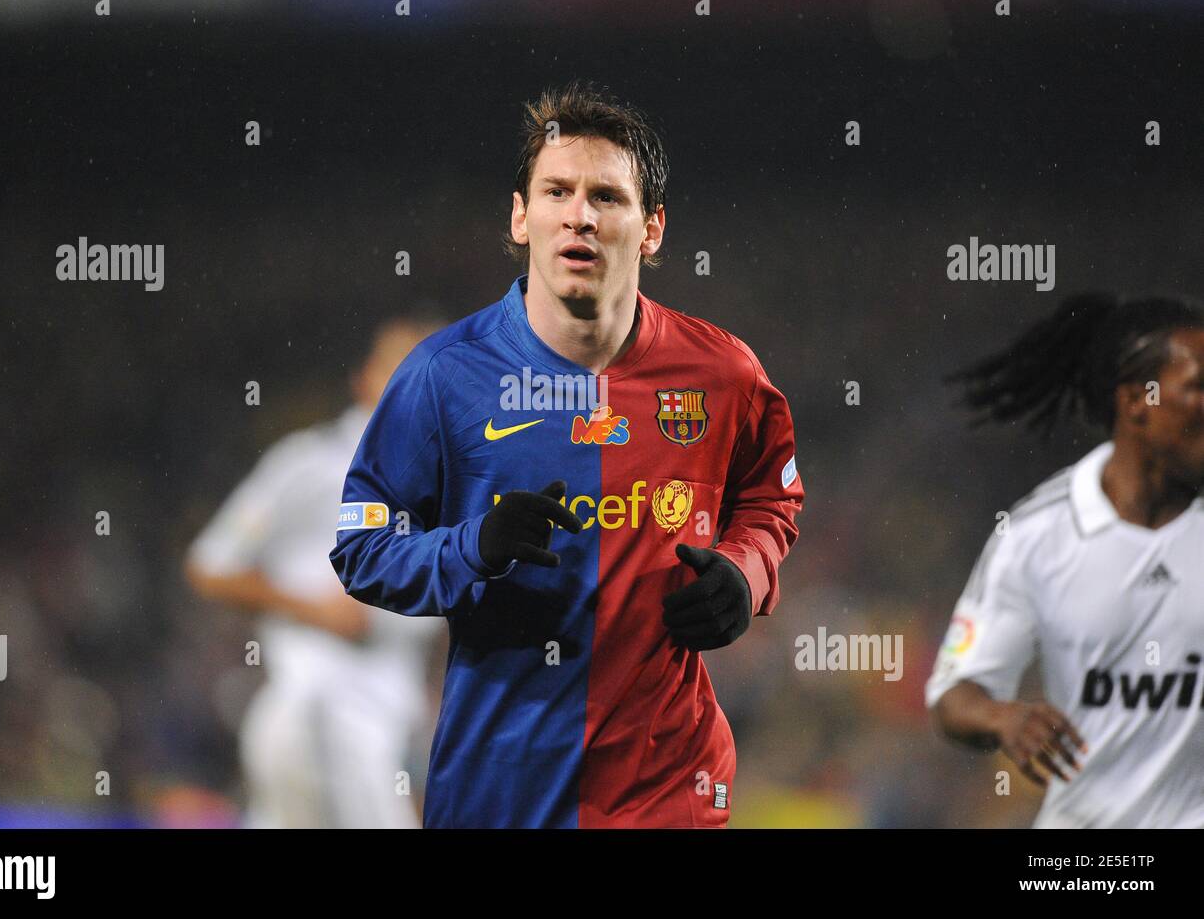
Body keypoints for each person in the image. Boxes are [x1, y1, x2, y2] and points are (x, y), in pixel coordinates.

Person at [330, 81, 804, 828]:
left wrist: (746, 573)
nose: (580, 214)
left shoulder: (724, 375)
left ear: (651, 228)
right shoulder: (443, 376)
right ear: (521, 216)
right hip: (499, 787)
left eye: (607, 197)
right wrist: (469, 547)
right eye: (557, 190)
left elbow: (772, 500)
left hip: (667, 783)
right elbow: (361, 546)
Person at [927, 293, 1204, 827]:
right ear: (1135, 403)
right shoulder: (1038, 533)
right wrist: (1004, 717)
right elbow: (954, 694)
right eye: (1199, 388)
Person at [186, 318, 443, 828]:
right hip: (321, 711)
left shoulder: (452, 479)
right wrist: (314, 610)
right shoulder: (313, 461)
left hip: (386, 726)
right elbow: (210, 565)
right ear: (365, 378)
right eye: (401, 365)